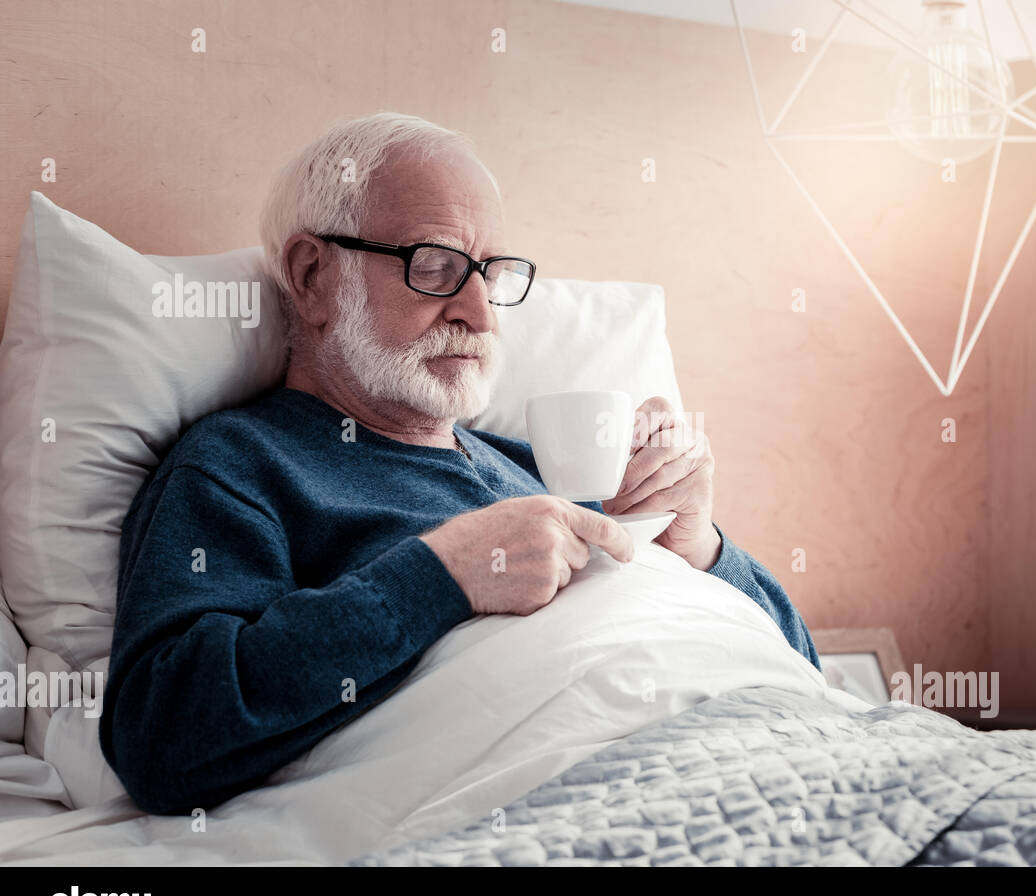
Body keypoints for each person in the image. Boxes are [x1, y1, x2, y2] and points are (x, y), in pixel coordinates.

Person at [100, 112, 820, 815]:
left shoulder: (545, 470)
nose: (480, 312)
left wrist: (701, 548)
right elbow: (160, 739)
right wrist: (440, 574)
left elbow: (801, 670)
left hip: (790, 753)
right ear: (313, 277)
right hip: (592, 796)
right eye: (436, 266)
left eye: (492, 272)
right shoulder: (240, 465)